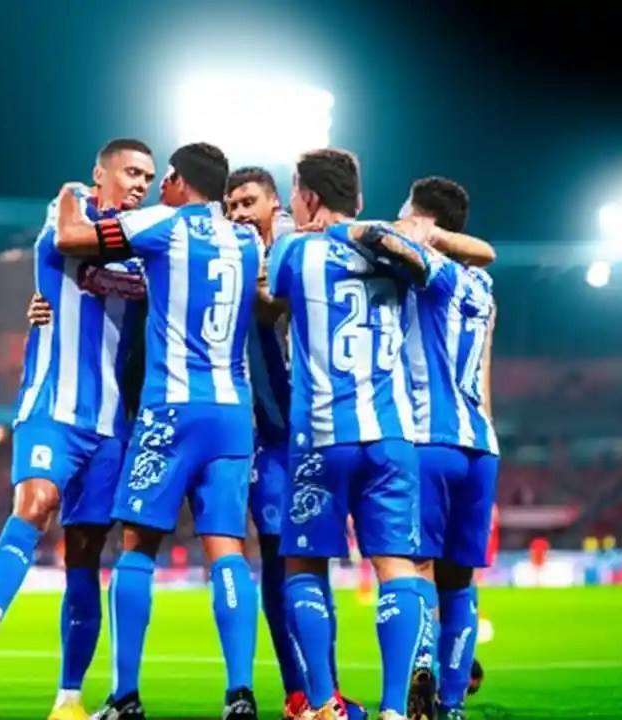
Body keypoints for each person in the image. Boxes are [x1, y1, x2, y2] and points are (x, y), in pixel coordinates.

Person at [53, 142, 262, 720]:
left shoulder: (164, 223)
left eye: (163, 178)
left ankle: (124, 697)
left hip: (172, 408)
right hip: (232, 415)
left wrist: (73, 195)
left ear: (176, 180)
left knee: (137, 548)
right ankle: (240, 693)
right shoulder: (247, 240)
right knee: (227, 551)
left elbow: (73, 238)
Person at [0, 139, 156, 720]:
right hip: (52, 405)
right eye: (129, 172)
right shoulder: (72, 202)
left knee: (86, 554)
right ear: (101, 173)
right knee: (35, 501)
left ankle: (69, 698)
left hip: (112, 422)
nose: (139, 182)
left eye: (148, 174)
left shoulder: (148, 243)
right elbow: (64, 239)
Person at [268, 148, 437, 720]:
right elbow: (429, 264)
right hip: (392, 436)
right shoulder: (397, 253)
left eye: (295, 193)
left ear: (309, 198)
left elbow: (273, 296)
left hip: (322, 435)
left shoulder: (296, 250)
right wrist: (379, 230)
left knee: (304, 567)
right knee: (396, 568)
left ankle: (323, 705)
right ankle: (393, 710)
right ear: (359, 199)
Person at [398, 177, 498, 720]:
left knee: (413, 571)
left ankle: (421, 665)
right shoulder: (484, 291)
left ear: (422, 217)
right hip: (481, 445)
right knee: (460, 581)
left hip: (425, 438)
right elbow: (483, 377)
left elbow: (388, 244)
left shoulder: (428, 270)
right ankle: (453, 702)